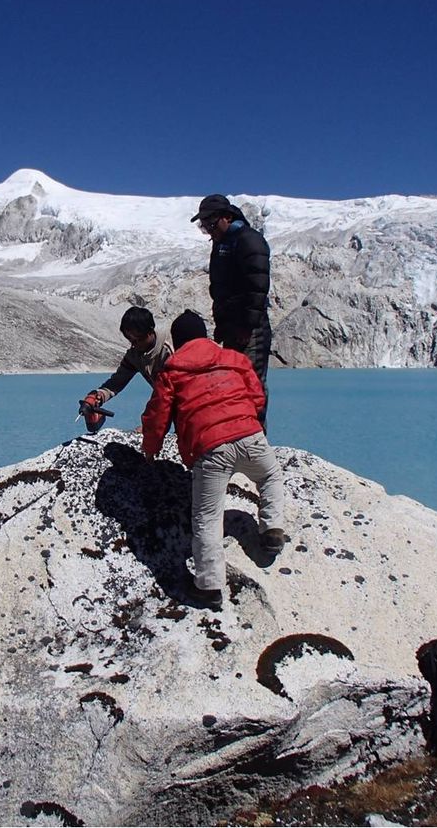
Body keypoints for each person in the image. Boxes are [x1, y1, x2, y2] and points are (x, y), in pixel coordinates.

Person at [141, 310, 286, 610]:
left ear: (179, 342)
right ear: (205, 335)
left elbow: (158, 416)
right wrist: (246, 418)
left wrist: (150, 448)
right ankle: (271, 530)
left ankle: (208, 587)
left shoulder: (172, 370)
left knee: (207, 518)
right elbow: (257, 396)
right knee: (270, 476)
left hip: (211, 451)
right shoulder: (234, 358)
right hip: (250, 436)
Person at [190, 194, 272, 425]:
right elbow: (220, 288)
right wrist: (222, 324)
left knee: (252, 381)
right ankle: (239, 435)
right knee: (233, 380)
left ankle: (257, 438)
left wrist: (248, 324)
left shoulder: (248, 240)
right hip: (233, 325)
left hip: (250, 328)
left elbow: (257, 286)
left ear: (227, 216)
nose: (209, 230)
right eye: (204, 227)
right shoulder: (222, 242)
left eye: (211, 224)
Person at [80, 306, 173, 431]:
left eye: (138, 339)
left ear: (150, 332)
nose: (134, 344)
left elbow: (171, 394)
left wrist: (151, 425)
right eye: (130, 340)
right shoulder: (134, 355)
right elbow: (117, 383)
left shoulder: (169, 350)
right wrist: (98, 396)